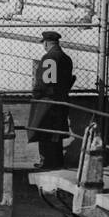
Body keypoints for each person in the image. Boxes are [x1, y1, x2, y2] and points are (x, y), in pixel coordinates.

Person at [28, 31, 76, 169]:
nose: (44, 45)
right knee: (57, 133)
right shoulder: (66, 58)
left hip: (48, 101)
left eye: (43, 43)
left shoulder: (49, 58)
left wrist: (36, 94)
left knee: (43, 130)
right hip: (62, 100)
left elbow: (46, 82)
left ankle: (46, 161)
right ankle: (57, 161)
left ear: (47, 43)